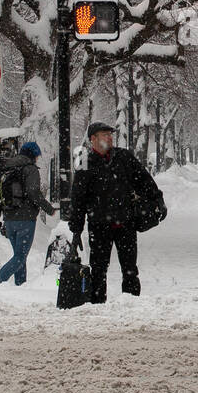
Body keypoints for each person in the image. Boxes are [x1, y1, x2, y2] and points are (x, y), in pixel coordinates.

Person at [67, 122, 164, 304]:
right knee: (98, 269)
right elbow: (78, 199)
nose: (110, 138)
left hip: (125, 223)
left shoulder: (123, 157)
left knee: (130, 268)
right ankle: (98, 305)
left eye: (110, 135)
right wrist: (76, 229)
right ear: (93, 139)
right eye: (105, 135)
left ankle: (130, 303)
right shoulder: (85, 163)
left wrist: (157, 198)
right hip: (99, 226)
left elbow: (143, 179)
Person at [0, 141, 57, 286]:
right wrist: (49, 209)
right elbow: (33, 192)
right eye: (37, 156)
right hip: (25, 219)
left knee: (19, 256)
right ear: (33, 155)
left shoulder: (7, 171)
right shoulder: (30, 169)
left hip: (9, 219)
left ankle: (21, 285)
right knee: (20, 256)